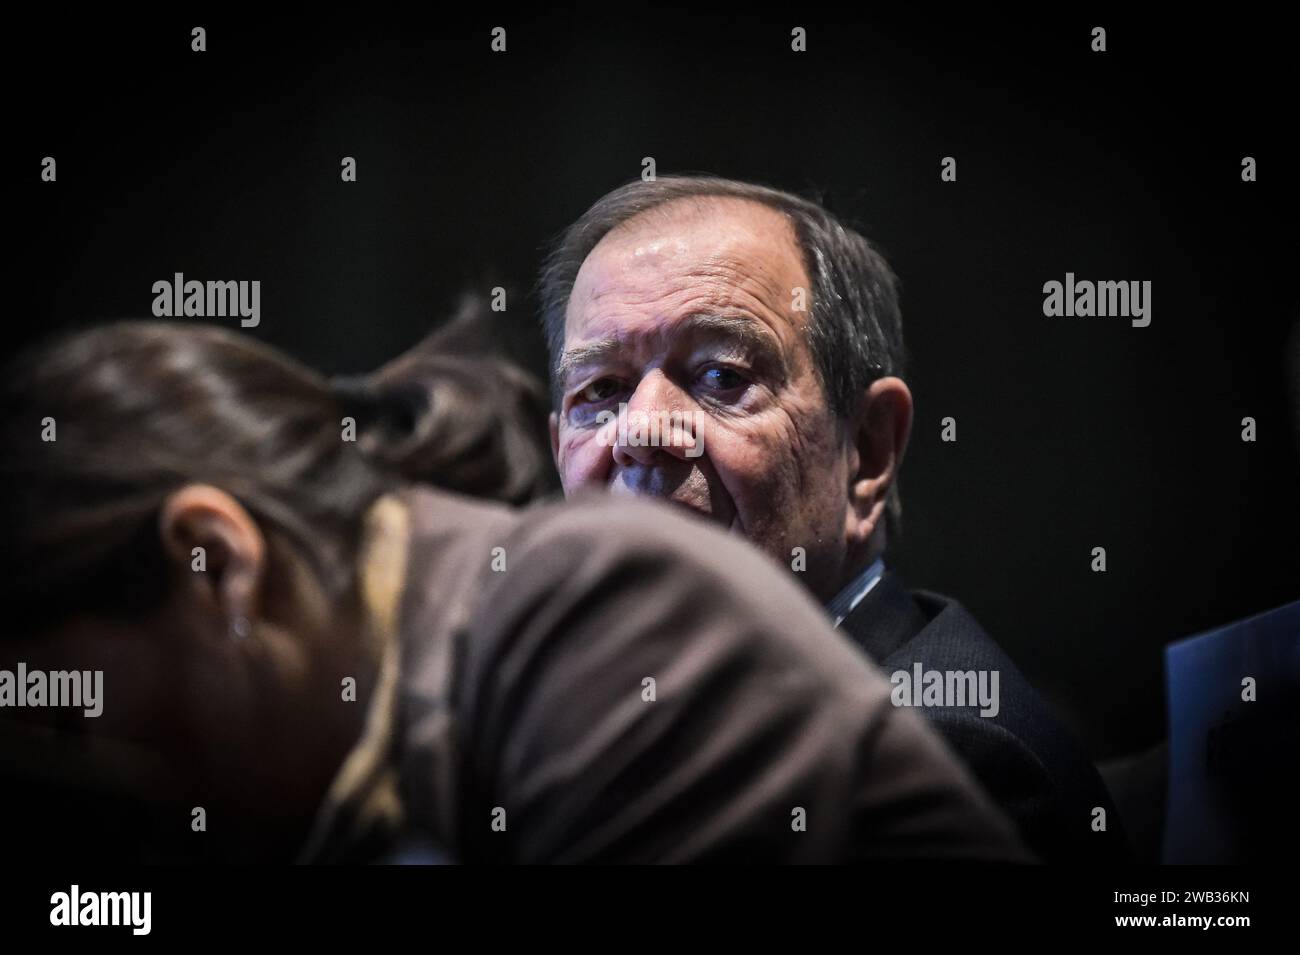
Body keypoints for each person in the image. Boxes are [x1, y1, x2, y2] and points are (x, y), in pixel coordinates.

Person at [0, 320, 1030, 863]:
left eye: (73, 728)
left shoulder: (602, 612)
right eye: (599, 390)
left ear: (214, 560)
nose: (646, 434)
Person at [540, 174, 1127, 860]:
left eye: (721, 376)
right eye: (602, 389)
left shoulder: (946, 757)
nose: (641, 430)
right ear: (557, 449)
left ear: (869, 450)